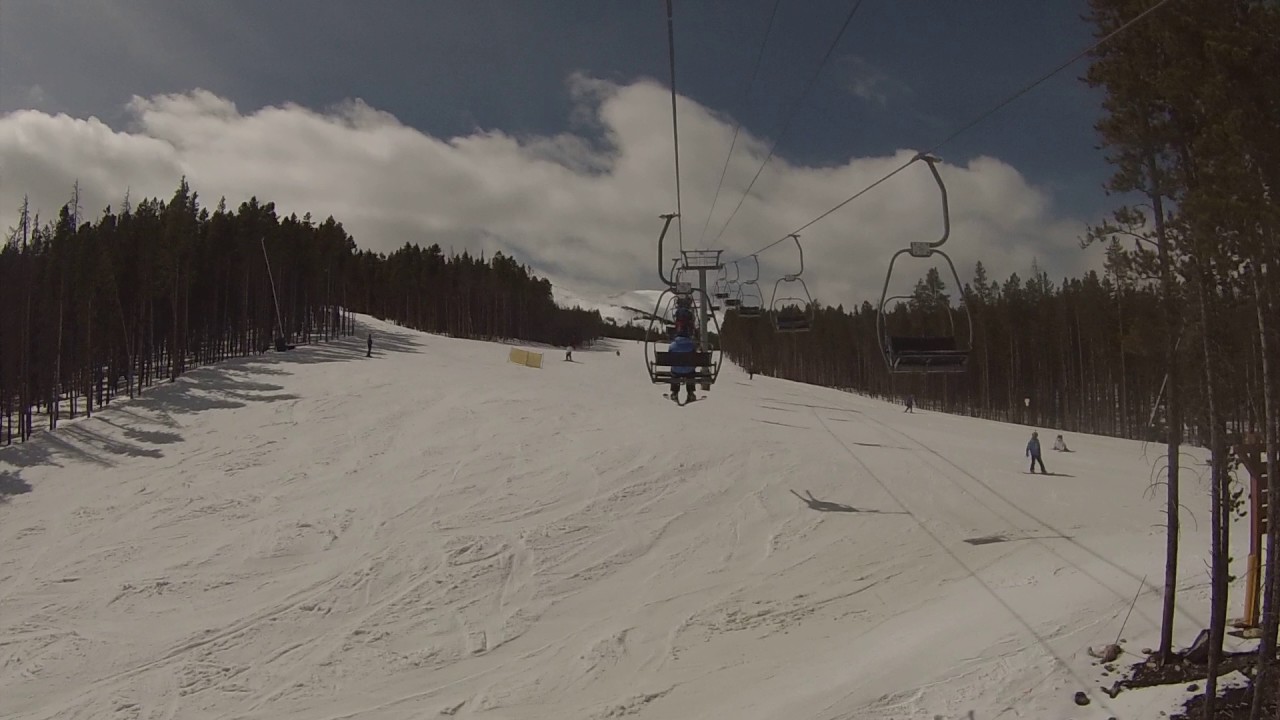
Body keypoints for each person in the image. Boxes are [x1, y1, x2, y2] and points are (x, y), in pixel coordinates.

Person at [668, 332, 698, 402]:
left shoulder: (672, 345)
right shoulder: (691, 345)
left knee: (674, 372)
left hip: (676, 371)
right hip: (689, 371)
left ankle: (674, 392)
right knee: (691, 373)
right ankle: (690, 393)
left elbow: (669, 358)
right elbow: (695, 358)